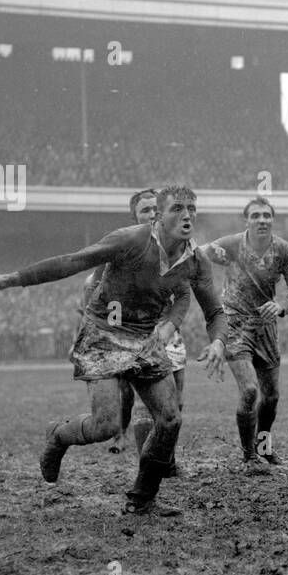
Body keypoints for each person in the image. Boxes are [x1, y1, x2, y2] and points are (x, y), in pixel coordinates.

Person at [0, 185, 225, 516]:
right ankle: (59, 436)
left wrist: (217, 341)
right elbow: (73, 261)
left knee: (171, 419)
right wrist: (12, 279)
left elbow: (214, 312)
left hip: (143, 339)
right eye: (177, 208)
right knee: (106, 426)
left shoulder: (196, 260)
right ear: (159, 215)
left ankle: (142, 498)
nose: (187, 214)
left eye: (192, 207)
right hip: (103, 330)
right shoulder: (131, 239)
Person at [86, 188, 190, 477]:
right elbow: (94, 286)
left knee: (174, 405)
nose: (152, 214)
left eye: (155, 209)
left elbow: (183, 292)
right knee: (141, 404)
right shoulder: (126, 244)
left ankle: (165, 461)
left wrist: (170, 325)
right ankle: (149, 469)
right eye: (145, 210)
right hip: (131, 334)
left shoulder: (176, 246)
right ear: (134, 216)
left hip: (166, 331)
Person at [202, 198, 288, 474]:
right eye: (256, 215)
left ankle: (263, 446)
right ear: (246, 220)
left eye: (267, 216)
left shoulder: (282, 248)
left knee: (271, 397)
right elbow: (200, 253)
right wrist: (211, 257)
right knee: (249, 391)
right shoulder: (233, 243)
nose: (262, 220)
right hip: (235, 324)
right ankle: (249, 457)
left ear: (273, 219)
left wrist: (282, 306)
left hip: (266, 328)